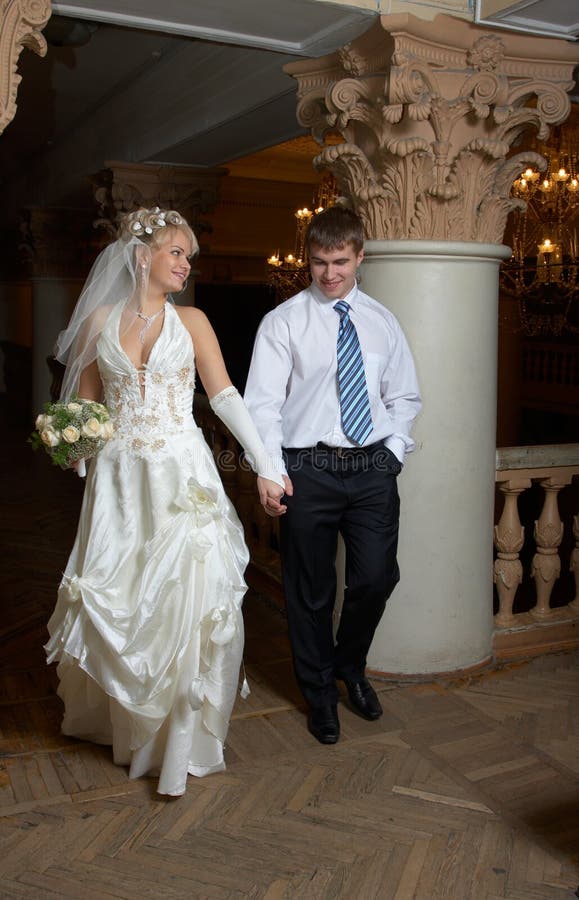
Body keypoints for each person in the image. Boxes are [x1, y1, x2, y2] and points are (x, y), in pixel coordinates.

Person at [45, 207, 285, 796]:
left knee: (187, 600)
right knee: (121, 595)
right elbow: (87, 404)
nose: (185, 264)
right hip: (120, 481)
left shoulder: (195, 321)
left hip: (182, 476)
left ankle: (181, 746)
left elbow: (225, 397)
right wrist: (70, 444)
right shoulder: (100, 320)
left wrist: (266, 465)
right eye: (176, 252)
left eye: (188, 257)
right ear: (141, 254)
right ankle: (126, 729)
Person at [244, 205, 421, 745]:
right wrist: (270, 472)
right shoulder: (284, 323)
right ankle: (320, 693)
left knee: (374, 578)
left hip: (372, 469)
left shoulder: (382, 321)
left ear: (359, 256)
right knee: (310, 591)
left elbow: (404, 395)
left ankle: (349, 665)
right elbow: (263, 407)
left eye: (340, 261)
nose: (329, 274)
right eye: (319, 262)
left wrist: (392, 452)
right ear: (309, 260)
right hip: (308, 472)